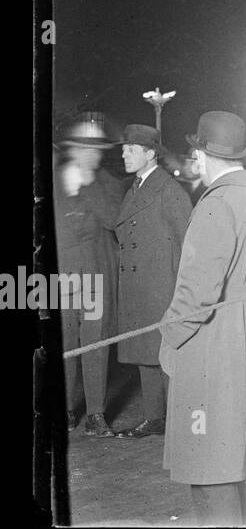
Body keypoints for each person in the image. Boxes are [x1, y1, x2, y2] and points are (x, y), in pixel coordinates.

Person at [159, 111, 246, 526]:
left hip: (214, 342)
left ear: (201, 155)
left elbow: (196, 294)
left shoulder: (216, 204)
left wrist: (169, 339)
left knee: (209, 459)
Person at [114, 124, 193, 438]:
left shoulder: (169, 191)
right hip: (140, 285)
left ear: (150, 154)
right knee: (145, 352)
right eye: (124, 148)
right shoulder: (136, 186)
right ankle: (154, 417)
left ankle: (177, 421)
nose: (123, 154)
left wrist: (182, 290)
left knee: (164, 353)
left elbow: (188, 242)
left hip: (162, 285)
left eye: (131, 149)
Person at [54, 114, 126, 437]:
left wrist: (88, 185)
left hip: (95, 276)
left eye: (98, 150)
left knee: (95, 344)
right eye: (88, 148)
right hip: (62, 276)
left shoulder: (107, 183)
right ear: (74, 149)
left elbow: (113, 220)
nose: (94, 155)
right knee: (65, 343)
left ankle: (95, 413)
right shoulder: (52, 180)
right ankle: (67, 409)